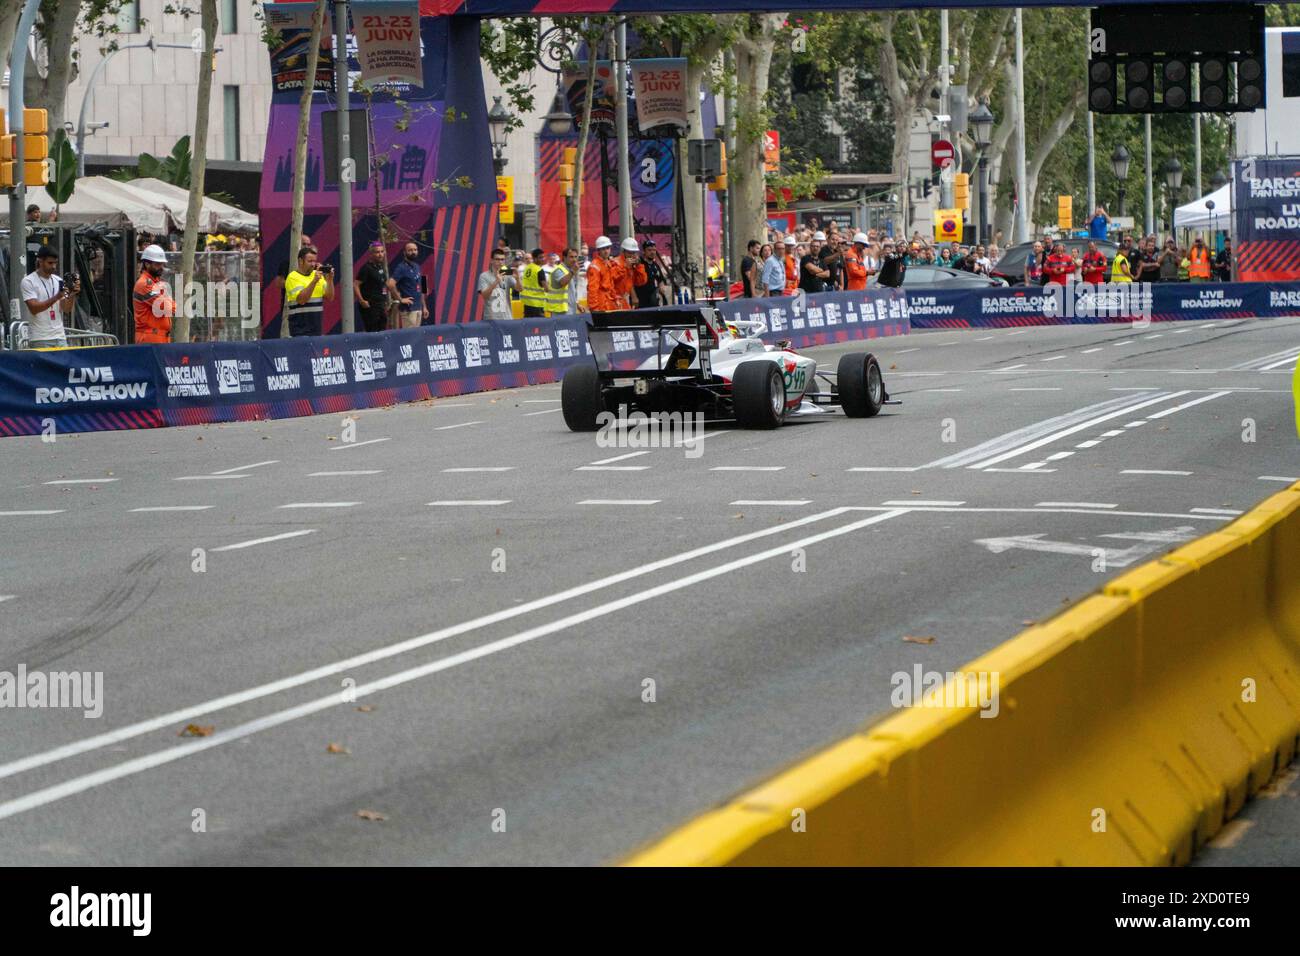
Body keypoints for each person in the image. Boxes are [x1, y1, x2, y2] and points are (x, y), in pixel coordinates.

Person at [21, 244, 77, 349]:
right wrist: (56, 297)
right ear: (40, 261)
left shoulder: (58, 280)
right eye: (50, 263)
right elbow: (34, 308)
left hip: (60, 336)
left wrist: (72, 294)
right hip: (40, 338)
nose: (54, 266)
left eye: (55, 263)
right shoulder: (28, 281)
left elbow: (66, 309)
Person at [284, 246, 334, 336]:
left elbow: (330, 297)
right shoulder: (293, 277)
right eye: (309, 261)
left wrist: (330, 279)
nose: (313, 264)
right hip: (299, 330)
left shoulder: (317, 275)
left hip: (316, 330)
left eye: (314, 261)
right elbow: (302, 300)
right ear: (300, 261)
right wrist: (314, 281)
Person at [132, 244, 175, 344]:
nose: (161, 267)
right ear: (147, 264)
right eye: (157, 264)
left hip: (159, 337)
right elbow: (167, 308)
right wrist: (169, 301)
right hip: (150, 338)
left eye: (162, 264)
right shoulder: (144, 284)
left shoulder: (156, 283)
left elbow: (172, 308)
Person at [389, 241, 427, 327]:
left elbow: (421, 286)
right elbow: (390, 284)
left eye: (415, 250)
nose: (413, 252)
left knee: (416, 337)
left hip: (418, 307)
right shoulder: (401, 267)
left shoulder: (417, 266)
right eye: (410, 250)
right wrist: (401, 299)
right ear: (404, 252)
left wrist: (424, 306)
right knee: (409, 338)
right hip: (408, 309)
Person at [355, 241, 390, 333]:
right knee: (372, 331)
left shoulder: (380, 267)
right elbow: (355, 284)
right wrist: (361, 300)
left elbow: (384, 285)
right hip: (370, 306)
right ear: (371, 254)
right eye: (377, 252)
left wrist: (386, 300)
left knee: (382, 329)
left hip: (380, 305)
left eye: (382, 252)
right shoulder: (366, 268)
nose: (380, 254)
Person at [477, 247, 518, 320]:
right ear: (491, 260)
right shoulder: (484, 276)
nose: (500, 262)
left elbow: (520, 289)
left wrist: (518, 279)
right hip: (491, 318)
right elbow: (485, 296)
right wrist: (496, 282)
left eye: (502, 259)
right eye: (497, 259)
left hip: (507, 317)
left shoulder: (507, 274)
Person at [611, 237, 647, 310]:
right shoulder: (614, 262)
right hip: (613, 300)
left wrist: (639, 266)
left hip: (624, 300)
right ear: (623, 251)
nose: (632, 255)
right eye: (629, 252)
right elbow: (612, 279)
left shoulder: (632, 265)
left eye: (634, 252)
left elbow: (641, 281)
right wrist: (625, 267)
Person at [585, 235, 620, 312]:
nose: (606, 251)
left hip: (607, 301)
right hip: (600, 302)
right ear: (598, 250)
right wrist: (594, 308)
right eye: (603, 249)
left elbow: (611, 284)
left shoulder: (607, 263)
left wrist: (615, 298)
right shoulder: (595, 266)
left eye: (607, 248)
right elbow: (592, 289)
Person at [548, 247, 582, 315]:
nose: (574, 259)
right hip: (560, 311)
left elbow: (571, 291)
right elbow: (563, 282)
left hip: (570, 310)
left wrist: (577, 304)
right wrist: (573, 271)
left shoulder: (571, 270)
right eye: (571, 257)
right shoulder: (558, 270)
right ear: (564, 257)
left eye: (576, 257)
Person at [636, 240, 670, 308]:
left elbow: (660, 280)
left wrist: (661, 287)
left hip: (653, 301)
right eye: (649, 250)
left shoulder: (655, 265)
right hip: (640, 300)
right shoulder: (639, 263)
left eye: (654, 250)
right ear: (644, 251)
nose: (652, 252)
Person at [519, 247, 548, 317]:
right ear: (534, 259)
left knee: (529, 325)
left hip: (527, 302)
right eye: (540, 257)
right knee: (539, 326)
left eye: (543, 257)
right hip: (537, 304)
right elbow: (546, 288)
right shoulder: (539, 270)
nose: (543, 259)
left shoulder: (527, 267)